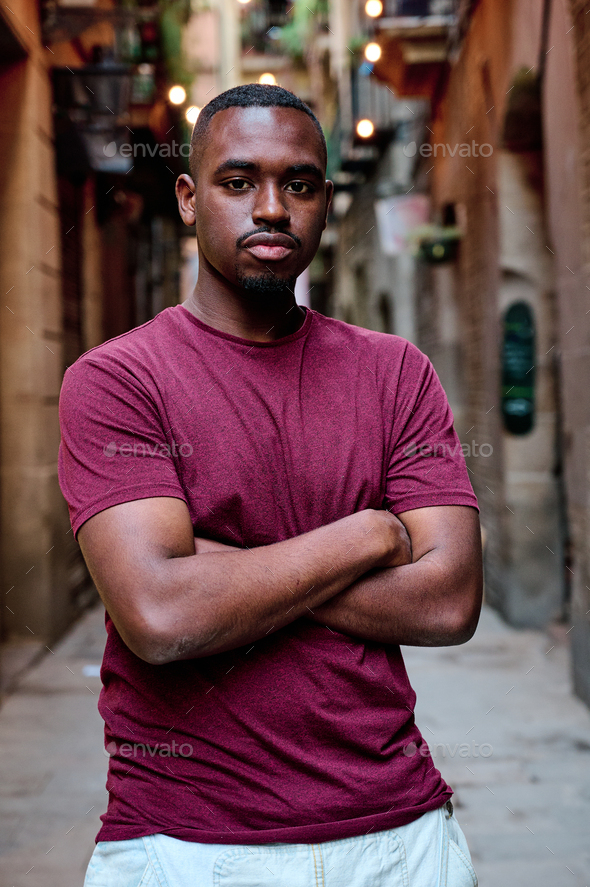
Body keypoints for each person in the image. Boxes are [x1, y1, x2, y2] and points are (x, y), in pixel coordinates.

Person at [58, 84, 483, 887]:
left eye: (300, 184)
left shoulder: (395, 373)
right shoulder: (117, 380)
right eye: (236, 180)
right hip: (189, 846)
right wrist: (370, 534)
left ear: (325, 197)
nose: (273, 208)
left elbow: (449, 599)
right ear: (187, 198)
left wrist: (216, 560)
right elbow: (160, 613)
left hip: (400, 840)